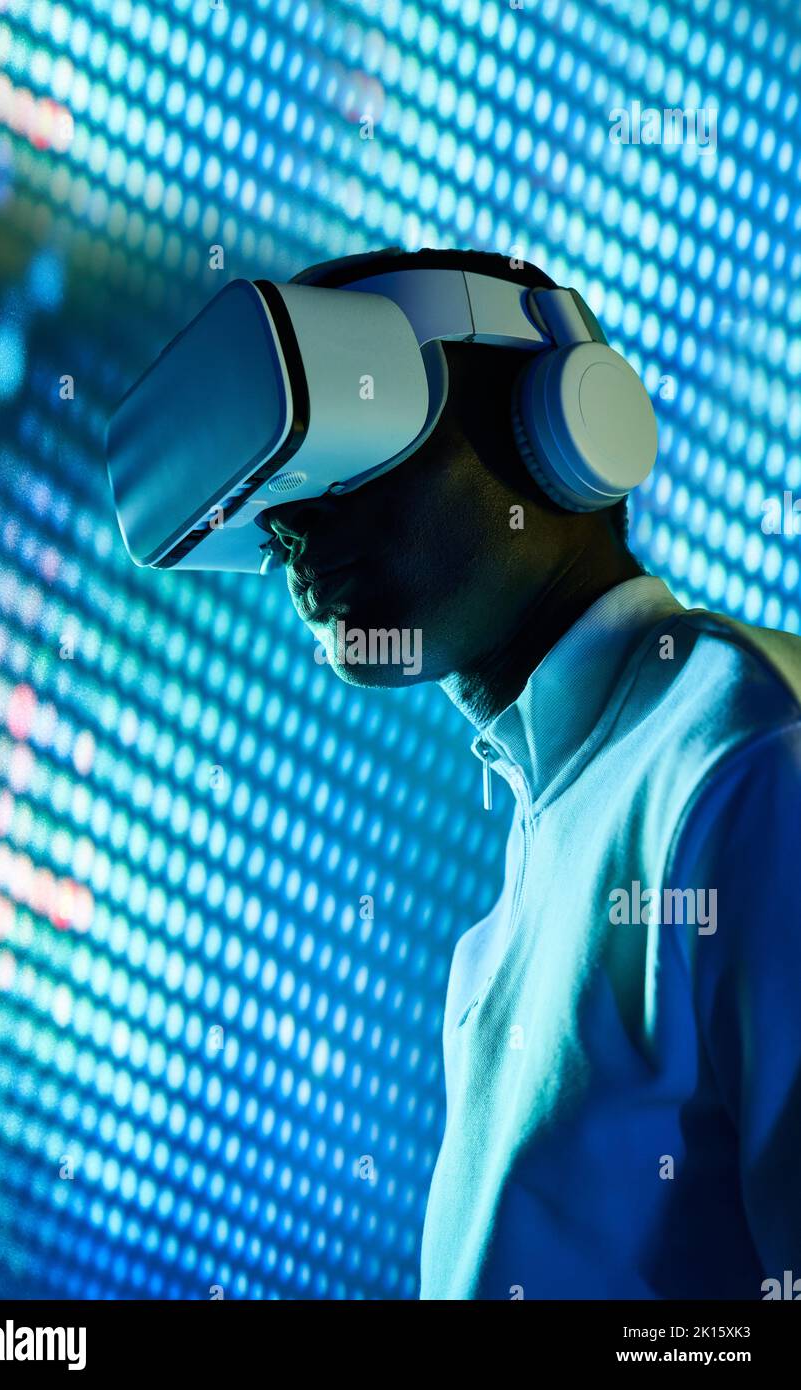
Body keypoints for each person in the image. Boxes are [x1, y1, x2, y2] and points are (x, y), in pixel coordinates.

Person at [260, 246, 801, 1300]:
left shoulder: (738, 754)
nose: (294, 525)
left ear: (560, 428)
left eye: (362, 433)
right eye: (281, 484)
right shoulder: (525, 888)